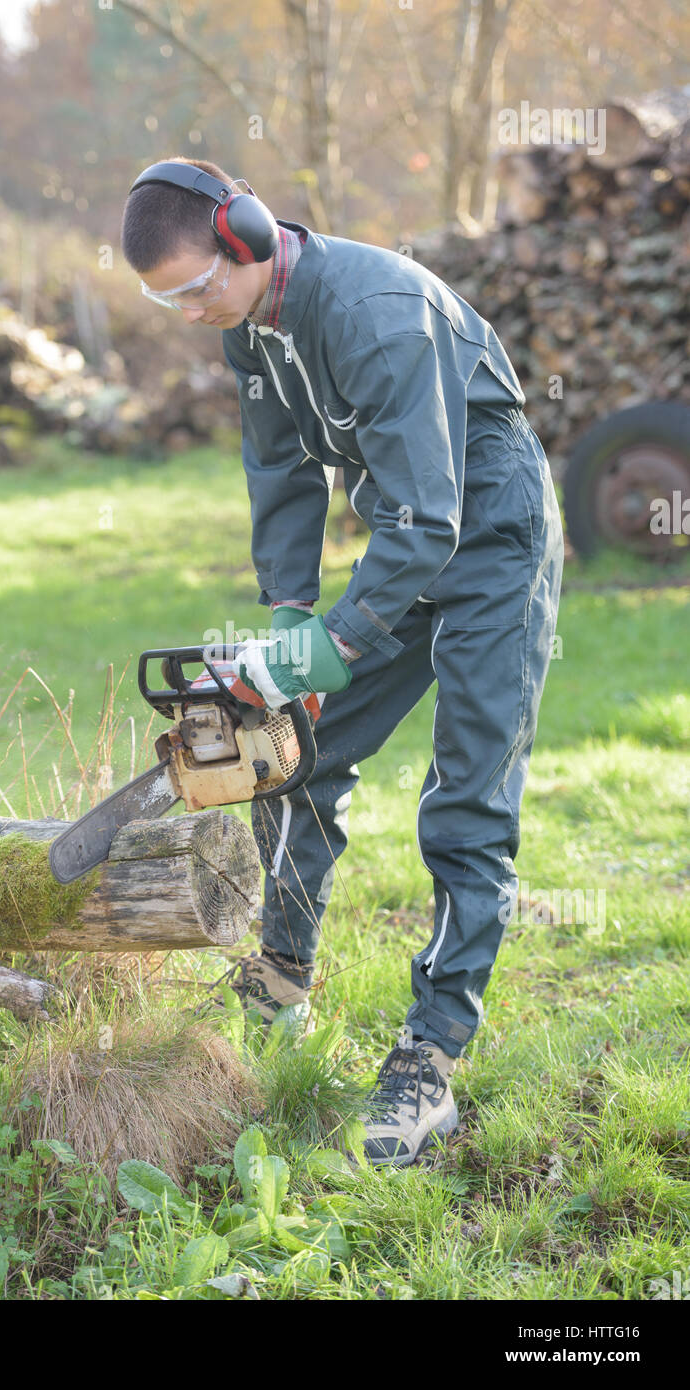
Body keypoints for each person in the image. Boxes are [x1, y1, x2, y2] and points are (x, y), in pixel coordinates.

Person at [120, 156, 564, 1167]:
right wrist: (287, 623)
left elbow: (430, 517)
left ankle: (432, 1053)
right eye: (166, 300)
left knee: (468, 791)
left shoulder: (375, 311)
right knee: (293, 751)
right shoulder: (255, 332)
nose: (190, 314)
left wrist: (329, 645)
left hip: (488, 532)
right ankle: (281, 977)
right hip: (406, 534)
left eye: (195, 289)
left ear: (248, 233)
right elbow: (279, 471)